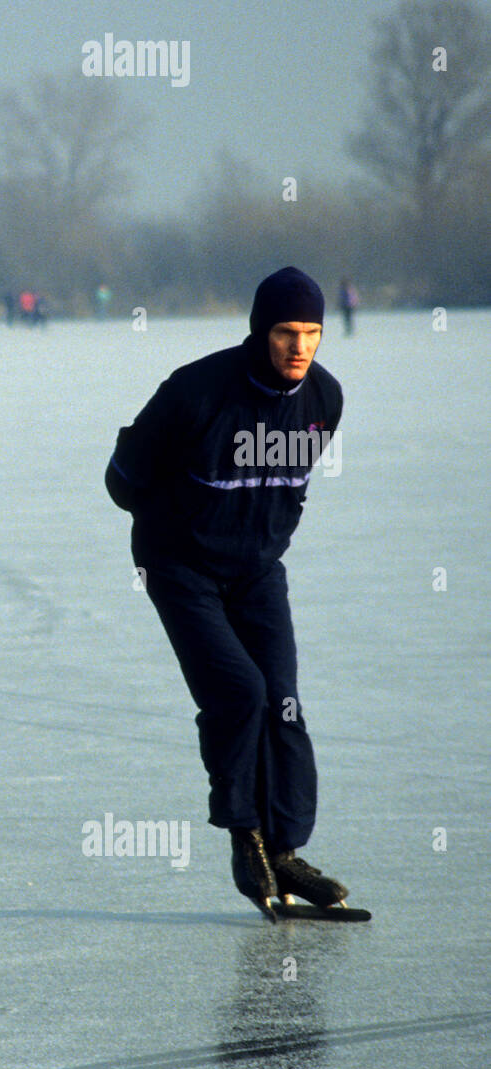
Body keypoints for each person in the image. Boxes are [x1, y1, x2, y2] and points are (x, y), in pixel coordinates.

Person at [105, 267, 347, 920]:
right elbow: (123, 478)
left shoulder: (324, 398)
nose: (300, 346)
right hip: (179, 567)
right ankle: (247, 838)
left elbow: (288, 489)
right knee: (240, 692)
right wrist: (176, 524)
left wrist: (257, 539)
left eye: (312, 333)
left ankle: (286, 850)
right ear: (259, 330)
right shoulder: (195, 393)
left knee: (285, 703)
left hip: (257, 570)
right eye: (286, 332)